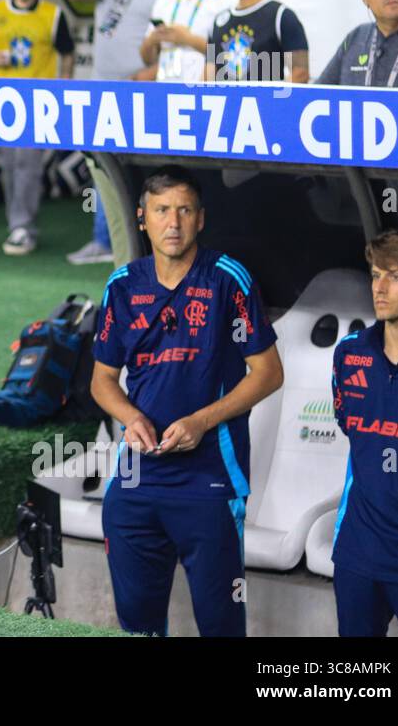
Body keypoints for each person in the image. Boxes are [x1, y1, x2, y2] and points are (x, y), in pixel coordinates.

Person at [90, 165, 283, 636]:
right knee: (137, 624)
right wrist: (131, 416)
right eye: (161, 211)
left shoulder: (226, 279)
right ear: (142, 219)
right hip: (135, 482)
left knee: (219, 624)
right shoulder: (122, 285)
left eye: (184, 210)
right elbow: (103, 382)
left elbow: (269, 373)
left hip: (209, 482)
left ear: (201, 218)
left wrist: (200, 421)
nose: (172, 222)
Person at [331, 229, 398, 636]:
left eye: (394, 276)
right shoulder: (349, 353)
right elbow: (353, 431)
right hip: (356, 553)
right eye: (375, 274)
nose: (379, 287)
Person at [62, 0, 173, 265]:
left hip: (139, 91)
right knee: (100, 164)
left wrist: (153, 73)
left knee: (136, 168)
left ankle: (141, 241)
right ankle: (102, 239)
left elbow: (172, 43)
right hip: (100, 85)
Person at [0, 0, 74, 256]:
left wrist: (64, 85)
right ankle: (16, 225)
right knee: (8, 164)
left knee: (28, 166)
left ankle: (24, 227)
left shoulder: (52, 14)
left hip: (38, 101)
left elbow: (67, 52)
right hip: (3, 101)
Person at [206, 0, 310, 83]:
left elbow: (300, 72)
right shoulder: (219, 20)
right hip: (226, 101)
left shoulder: (281, 16)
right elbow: (209, 71)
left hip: (263, 102)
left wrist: (274, 100)